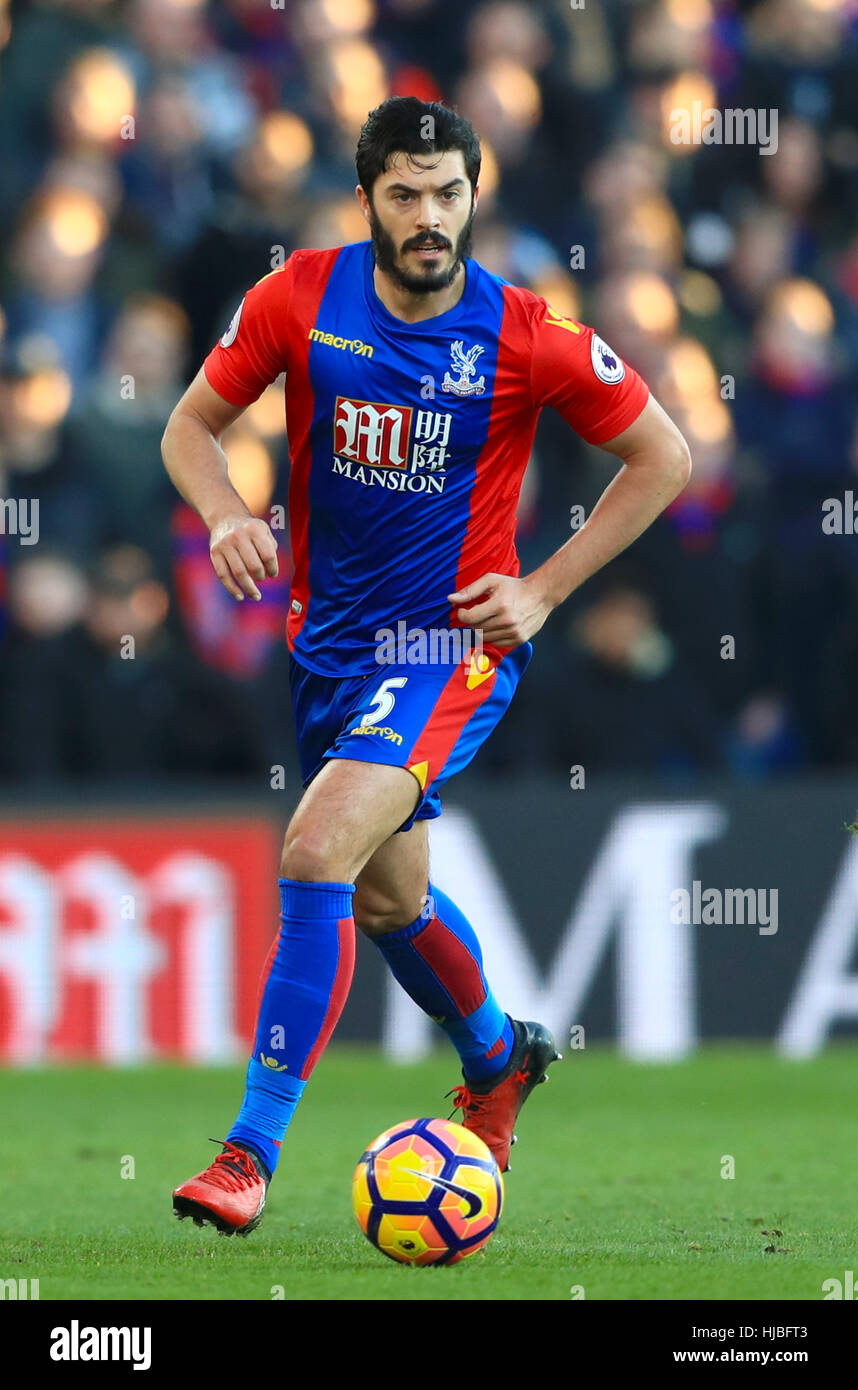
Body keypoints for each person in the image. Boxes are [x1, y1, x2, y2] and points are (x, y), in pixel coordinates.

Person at [161, 96, 691, 1236]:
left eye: (448, 192)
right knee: (387, 894)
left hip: (446, 645)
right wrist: (222, 515)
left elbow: (664, 454)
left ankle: (249, 1154)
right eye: (404, 193)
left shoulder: (525, 334)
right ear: (367, 200)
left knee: (311, 849)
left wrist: (542, 590)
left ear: (474, 197)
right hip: (327, 648)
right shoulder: (297, 296)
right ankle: (500, 1057)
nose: (429, 216)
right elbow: (187, 427)